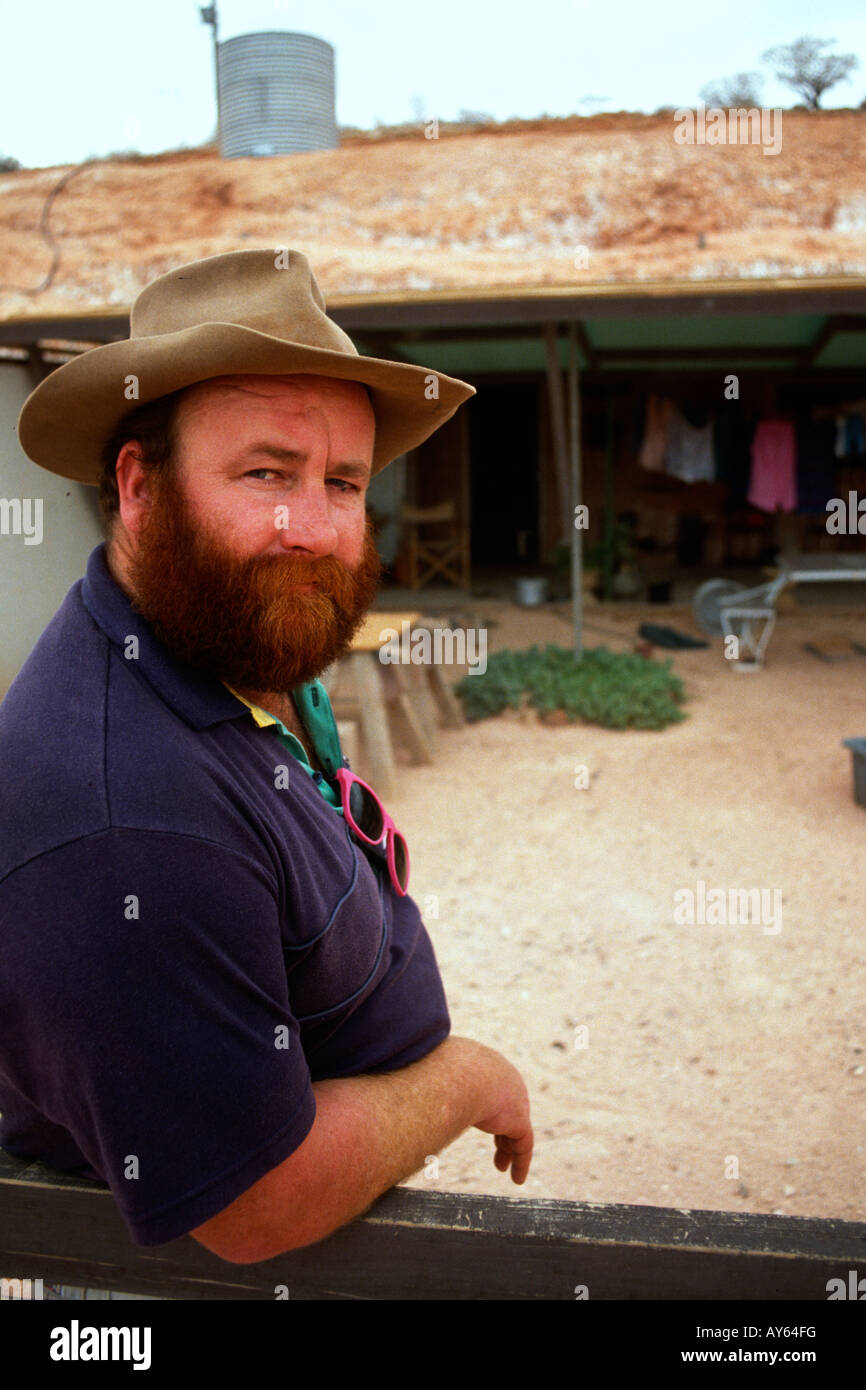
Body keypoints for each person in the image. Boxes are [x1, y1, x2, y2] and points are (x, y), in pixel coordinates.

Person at [0, 249, 533, 1266]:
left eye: (341, 480)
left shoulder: (225, 644)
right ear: (139, 487)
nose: (316, 529)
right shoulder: (128, 823)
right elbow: (254, 1205)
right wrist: (465, 1077)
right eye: (264, 474)